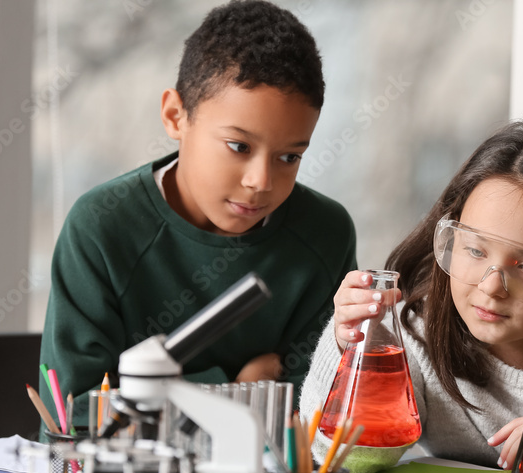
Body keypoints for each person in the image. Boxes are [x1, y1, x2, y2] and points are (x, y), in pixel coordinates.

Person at [40, 0, 356, 429]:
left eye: (288, 156)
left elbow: (318, 413)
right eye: (239, 146)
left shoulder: (325, 234)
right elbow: (74, 416)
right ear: (176, 116)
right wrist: (234, 388)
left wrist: (167, 397)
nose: (261, 181)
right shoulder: (102, 226)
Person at [299, 121, 523, 468]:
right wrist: (358, 349)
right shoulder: (413, 336)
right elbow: (349, 458)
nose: (490, 287)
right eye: (474, 251)